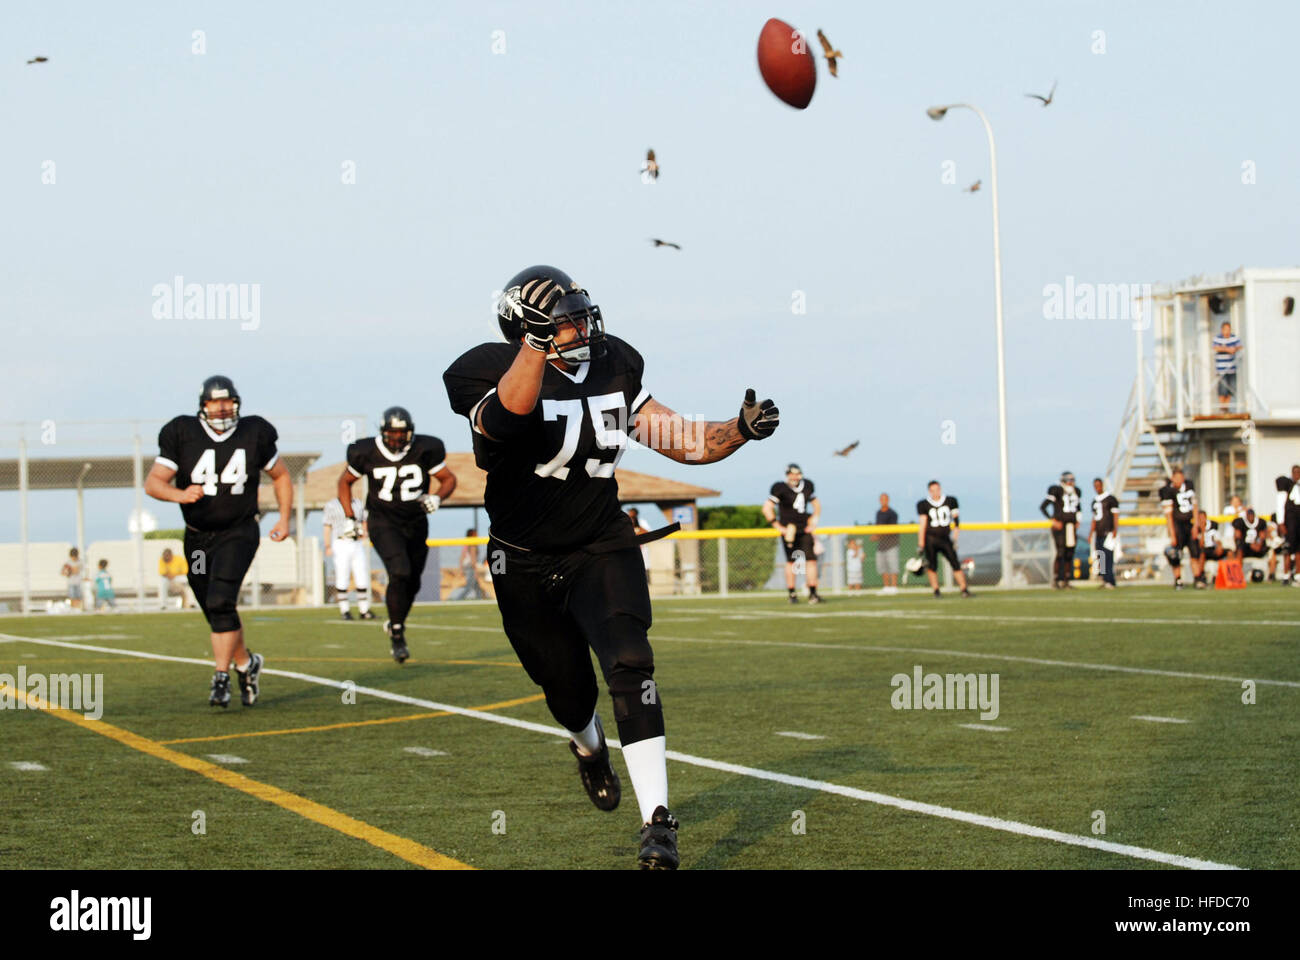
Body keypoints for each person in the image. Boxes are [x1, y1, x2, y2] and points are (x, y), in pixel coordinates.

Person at [443, 264, 779, 870]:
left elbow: (678, 437)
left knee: (630, 659)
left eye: (580, 315)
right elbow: (505, 420)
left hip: (601, 543)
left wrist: (739, 431)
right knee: (568, 693)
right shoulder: (483, 368)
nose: (581, 327)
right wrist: (537, 350)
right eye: (564, 319)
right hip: (521, 560)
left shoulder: (615, 363)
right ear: (530, 327)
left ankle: (658, 822)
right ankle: (588, 746)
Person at [144, 375, 291, 708]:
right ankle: (245, 664)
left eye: (227, 401)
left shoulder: (254, 432)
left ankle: (221, 677)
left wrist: (284, 518)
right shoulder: (182, 433)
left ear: (236, 402)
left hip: (238, 532)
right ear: (204, 405)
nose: (223, 408)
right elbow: (153, 483)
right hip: (197, 540)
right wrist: (180, 494)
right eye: (215, 402)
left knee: (222, 599)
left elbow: (280, 475)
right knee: (212, 604)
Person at [337, 407, 457, 662]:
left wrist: (438, 496)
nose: (397, 439)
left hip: (416, 521)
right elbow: (344, 482)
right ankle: (398, 633)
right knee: (400, 571)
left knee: (412, 582)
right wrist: (350, 517)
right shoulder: (365, 451)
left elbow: (448, 479)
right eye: (392, 433)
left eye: (402, 433)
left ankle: (394, 624)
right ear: (382, 432)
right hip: (383, 522)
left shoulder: (426, 448)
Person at [763, 463, 821, 604]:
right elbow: (767, 508)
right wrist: (777, 526)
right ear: (787, 475)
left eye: (797, 474)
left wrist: (814, 520)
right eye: (791, 474)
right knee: (791, 562)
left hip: (804, 528)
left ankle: (813, 593)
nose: (794, 477)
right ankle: (792, 594)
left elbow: (816, 504)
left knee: (811, 560)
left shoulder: (807, 485)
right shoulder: (780, 488)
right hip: (789, 530)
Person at [916, 479, 971, 598]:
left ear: (940, 489)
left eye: (937, 489)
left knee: (955, 563)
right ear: (929, 491)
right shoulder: (923, 504)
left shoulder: (951, 501)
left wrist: (955, 538)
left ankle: (964, 589)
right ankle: (936, 590)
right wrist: (921, 544)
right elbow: (922, 524)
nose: (935, 492)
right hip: (930, 538)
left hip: (945, 538)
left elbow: (956, 521)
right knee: (932, 566)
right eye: (932, 490)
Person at [323, 494, 374, 620]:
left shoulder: (358, 503)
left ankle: (364, 609)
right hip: (340, 542)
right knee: (342, 576)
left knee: (361, 575)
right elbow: (327, 526)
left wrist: (364, 532)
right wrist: (327, 545)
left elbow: (364, 521)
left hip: (356, 542)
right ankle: (345, 610)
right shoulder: (332, 505)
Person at [1040, 471, 1083, 589]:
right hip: (1060, 526)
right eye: (1069, 480)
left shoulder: (1076, 491)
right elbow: (1043, 506)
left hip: (1071, 526)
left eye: (1073, 480)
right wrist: (1053, 520)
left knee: (1069, 553)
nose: (1072, 482)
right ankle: (1056, 579)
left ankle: (1066, 579)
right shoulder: (1056, 490)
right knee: (1060, 552)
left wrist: (1078, 520)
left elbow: (1078, 507)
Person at [1159, 467, 1198, 589]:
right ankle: (1178, 580)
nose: (1179, 480)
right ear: (1172, 478)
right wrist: (1172, 534)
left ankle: (1198, 578)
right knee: (1175, 555)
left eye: (1181, 478)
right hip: (1177, 525)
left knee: (1195, 553)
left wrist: (1196, 525)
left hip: (1189, 523)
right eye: (1177, 478)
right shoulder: (1167, 491)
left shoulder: (1189, 485)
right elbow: (1168, 515)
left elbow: (1195, 505)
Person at [1088, 477, 1119, 589]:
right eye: (1095, 486)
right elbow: (1094, 518)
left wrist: (1115, 529)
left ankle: (1111, 580)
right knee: (1101, 557)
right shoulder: (1094, 501)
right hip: (1099, 533)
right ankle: (1105, 580)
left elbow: (1115, 515)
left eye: (1098, 485)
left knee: (1108, 557)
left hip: (1108, 533)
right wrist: (1091, 533)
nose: (1097, 488)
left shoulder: (1111, 499)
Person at [1233, 508, 1275, 578]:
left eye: (1252, 515)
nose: (1250, 517)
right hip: (1245, 547)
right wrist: (1249, 544)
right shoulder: (1240, 522)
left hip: (1258, 546)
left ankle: (1272, 574)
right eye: (1249, 515)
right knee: (1239, 550)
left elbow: (1262, 536)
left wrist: (1258, 544)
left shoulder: (1260, 522)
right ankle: (1238, 574)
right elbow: (1237, 537)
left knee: (1271, 550)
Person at [1276, 465, 1300, 585]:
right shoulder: (1287, 485)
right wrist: (1280, 522)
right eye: (1295, 472)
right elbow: (1280, 504)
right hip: (1290, 520)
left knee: (1298, 549)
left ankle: (1298, 575)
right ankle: (1286, 574)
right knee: (1288, 547)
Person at [1212, 321, 1242, 413]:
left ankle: (1226, 407)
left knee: (1231, 388)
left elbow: (1240, 346)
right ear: (1222, 330)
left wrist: (1234, 349)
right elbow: (1215, 347)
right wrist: (1227, 349)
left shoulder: (1234, 338)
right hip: (1221, 368)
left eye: (1228, 329)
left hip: (1232, 367)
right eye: (1225, 329)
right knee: (1222, 388)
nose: (1227, 331)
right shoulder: (1218, 338)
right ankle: (1222, 407)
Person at [872, 492, 899, 594]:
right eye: (881, 499)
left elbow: (891, 529)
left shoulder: (892, 513)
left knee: (893, 565)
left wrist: (878, 535)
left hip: (891, 543)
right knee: (882, 565)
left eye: (885, 499)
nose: (883, 501)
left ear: (888, 500)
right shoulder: (878, 513)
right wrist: (876, 535)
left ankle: (894, 587)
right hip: (881, 544)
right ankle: (886, 587)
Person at [1193, 510, 1226, 587]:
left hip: (1213, 548)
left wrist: (1219, 546)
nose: (1201, 519)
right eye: (1199, 518)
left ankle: (1229, 575)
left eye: (1202, 517)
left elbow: (1217, 539)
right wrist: (1203, 530)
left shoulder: (1212, 525)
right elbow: (1201, 544)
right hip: (1202, 550)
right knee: (1202, 554)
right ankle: (1201, 577)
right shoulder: (1196, 528)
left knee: (1230, 552)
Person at [459, 528, 486, 600]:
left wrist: (461, 568)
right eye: (475, 534)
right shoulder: (472, 544)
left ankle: (480, 600)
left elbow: (462, 557)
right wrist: (475, 570)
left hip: (467, 566)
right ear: (472, 535)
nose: (477, 535)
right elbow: (473, 558)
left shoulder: (466, 543)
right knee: (469, 587)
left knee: (477, 586)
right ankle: (457, 600)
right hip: (471, 567)